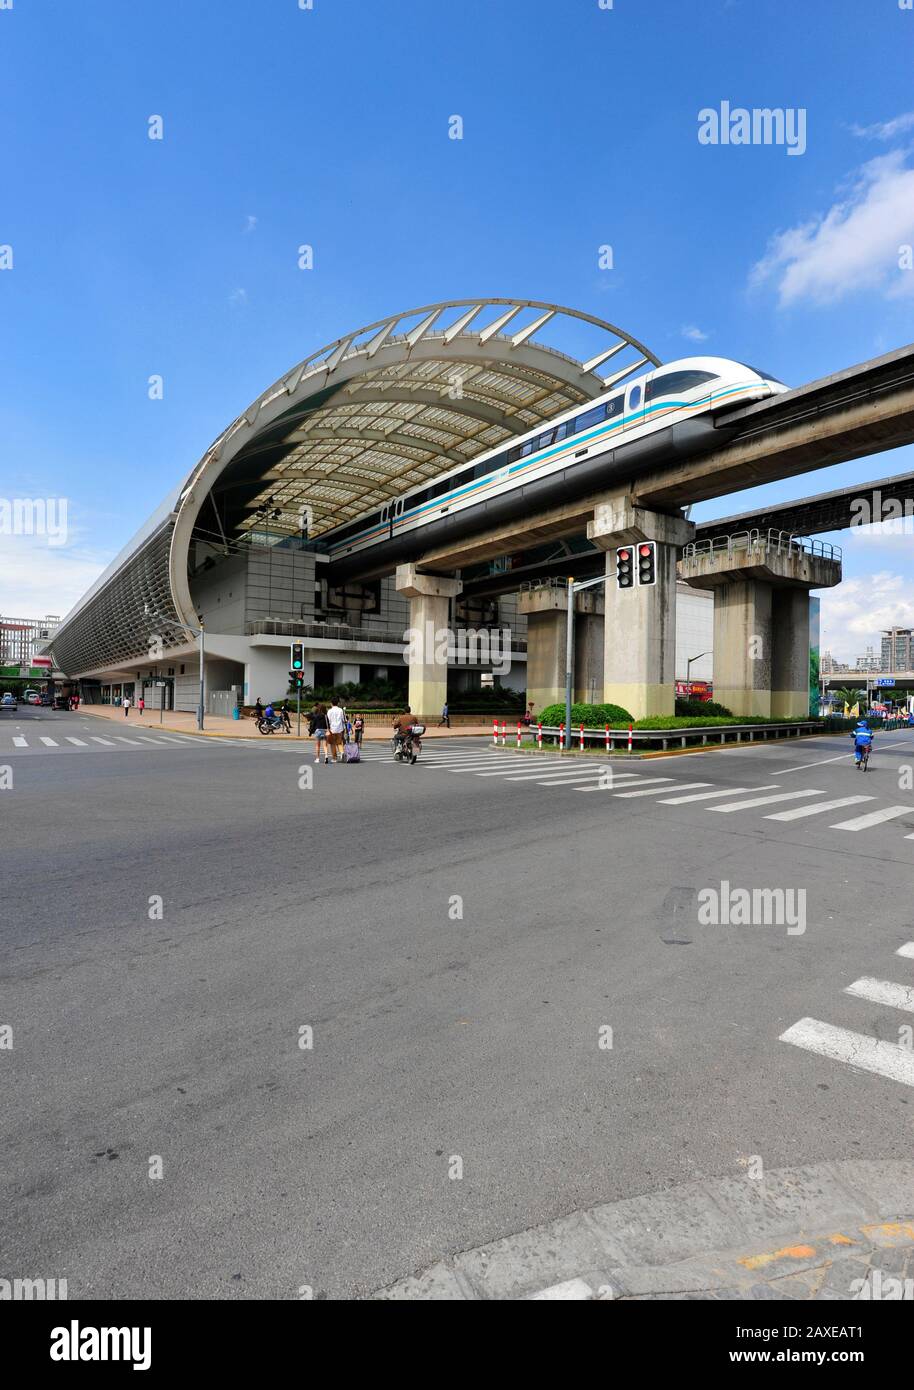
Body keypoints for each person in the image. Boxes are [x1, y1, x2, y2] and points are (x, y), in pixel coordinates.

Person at [327, 697, 346, 761]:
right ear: (338, 703)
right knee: (339, 742)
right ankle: (342, 752)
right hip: (340, 729)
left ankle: (334, 758)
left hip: (332, 729)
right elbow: (343, 719)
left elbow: (328, 720)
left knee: (332, 743)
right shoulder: (341, 710)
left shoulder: (329, 711)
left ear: (331, 703)